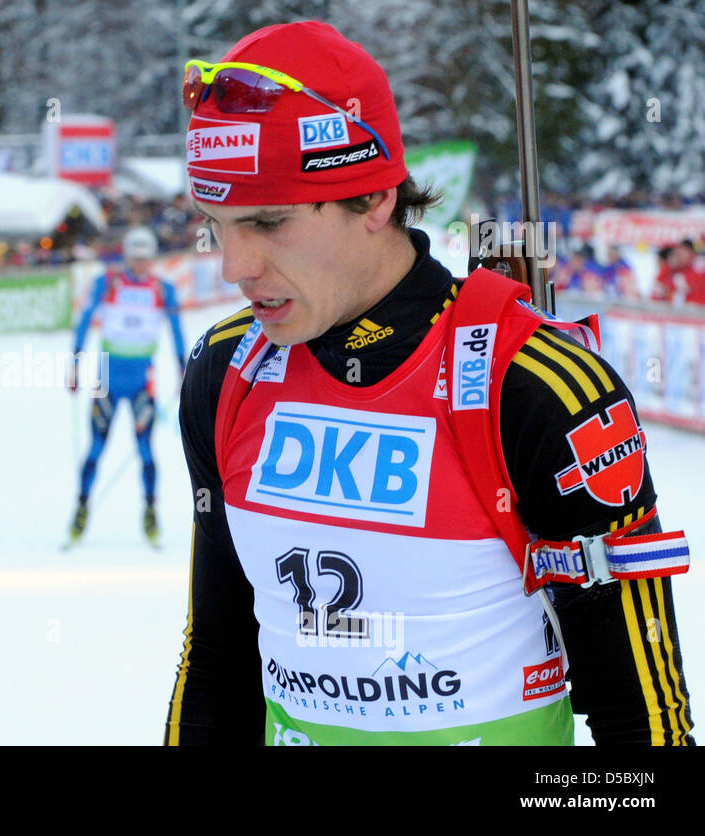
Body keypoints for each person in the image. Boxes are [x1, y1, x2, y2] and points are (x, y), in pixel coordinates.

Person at [165, 22, 692, 745]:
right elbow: (216, 657)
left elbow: (644, 721)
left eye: (269, 223)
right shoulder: (228, 371)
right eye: (218, 225)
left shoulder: (535, 387)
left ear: (375, 199)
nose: (235, 266)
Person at [66, 226, 188, 547]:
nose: (140, 265)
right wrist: (75, 363)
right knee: (95, 448)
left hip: (142, 380)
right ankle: (80, 508)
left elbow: (176, 328)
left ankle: (150, 512)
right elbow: (84, 321)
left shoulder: (164, 289)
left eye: (146, 259)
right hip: (107, 376)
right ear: (126, 256)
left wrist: (182, 366)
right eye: (135, 259)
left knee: (146, 450)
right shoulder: (106, 283)